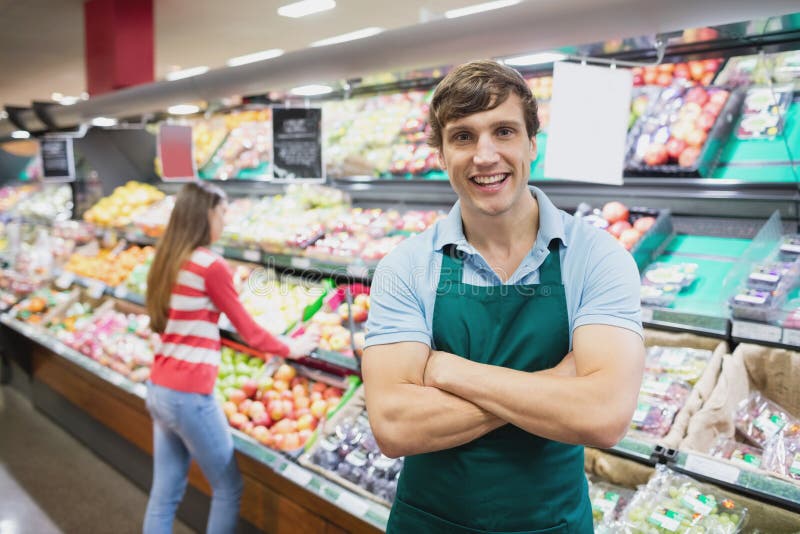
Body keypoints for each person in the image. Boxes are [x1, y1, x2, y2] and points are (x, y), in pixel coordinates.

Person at [363, 60, 645, 533]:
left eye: (504, 131)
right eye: (463, 136)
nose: (485, 155)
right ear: (440, 153)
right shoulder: (404, 267)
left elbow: (603, 416)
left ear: (532, 142)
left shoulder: (597, 257)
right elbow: (395, 427)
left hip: (551, 524)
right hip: (430, 523)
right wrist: (556, 384)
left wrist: (452, 371)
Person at [143, 181, 317, 534]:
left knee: (164, 494)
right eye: (222, 213)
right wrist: (291, 347)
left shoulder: (167, 258)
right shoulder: (210, 265)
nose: (225, 222)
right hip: (189, 396)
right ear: (204, 215)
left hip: (159, 388)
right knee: (228, 488)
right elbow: (249, 331)